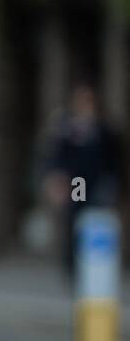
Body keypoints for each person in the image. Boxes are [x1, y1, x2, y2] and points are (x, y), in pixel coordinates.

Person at [44, 83, 123, 275]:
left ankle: (99, 265)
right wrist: (56, 179)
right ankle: (73, 266)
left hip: (98, 183)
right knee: (76, 220)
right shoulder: (67, 127)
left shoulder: (103, 128)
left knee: (99, 222)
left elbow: (113, 158)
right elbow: (57, 156)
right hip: (77, 183)